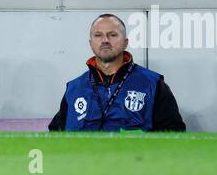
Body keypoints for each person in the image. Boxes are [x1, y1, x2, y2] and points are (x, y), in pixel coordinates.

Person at [48, 14, 185, 132]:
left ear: (125, 43)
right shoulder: (74, 89)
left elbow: (174, 134)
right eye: (98, 35)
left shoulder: (153, 84)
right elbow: (56, 136)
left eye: (112, 35)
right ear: (91, 43)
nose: (105, 40)